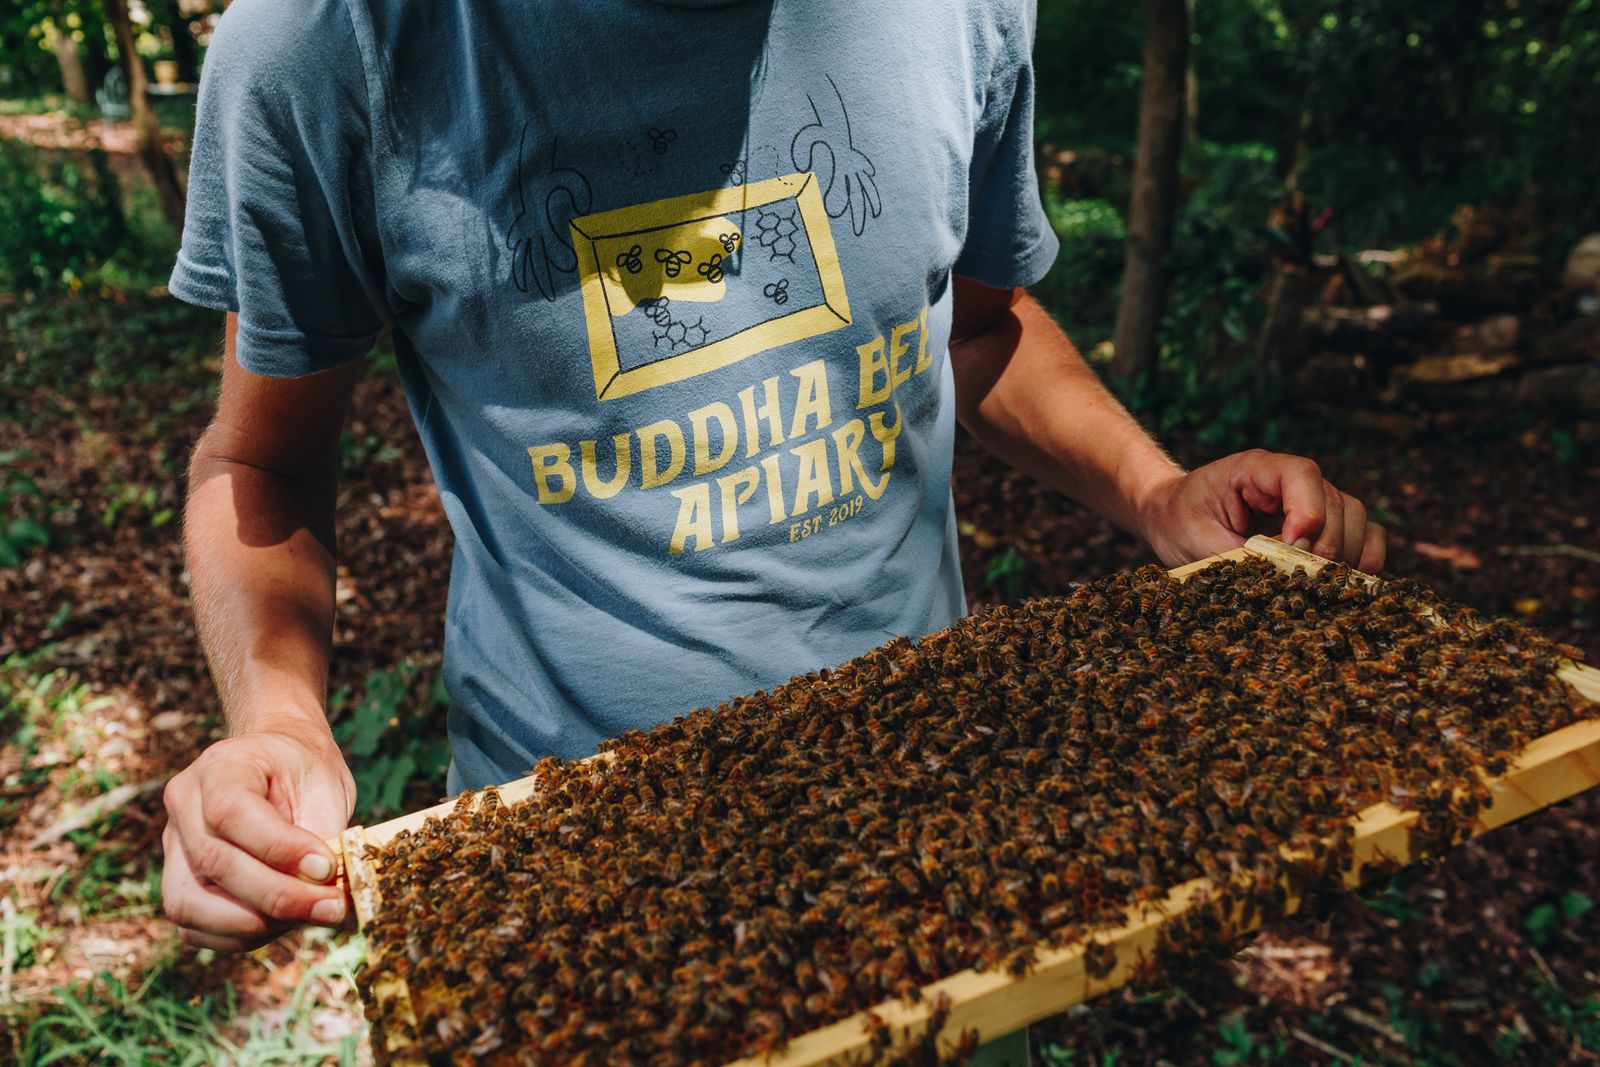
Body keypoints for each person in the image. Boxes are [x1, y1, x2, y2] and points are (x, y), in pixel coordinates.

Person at [160, 0, 1383, 1060]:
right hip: (570, 895)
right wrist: (278, 717)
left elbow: (972, 324)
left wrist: (1155, 489)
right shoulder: (332, 46)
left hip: (946, 852)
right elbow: (260, 460)